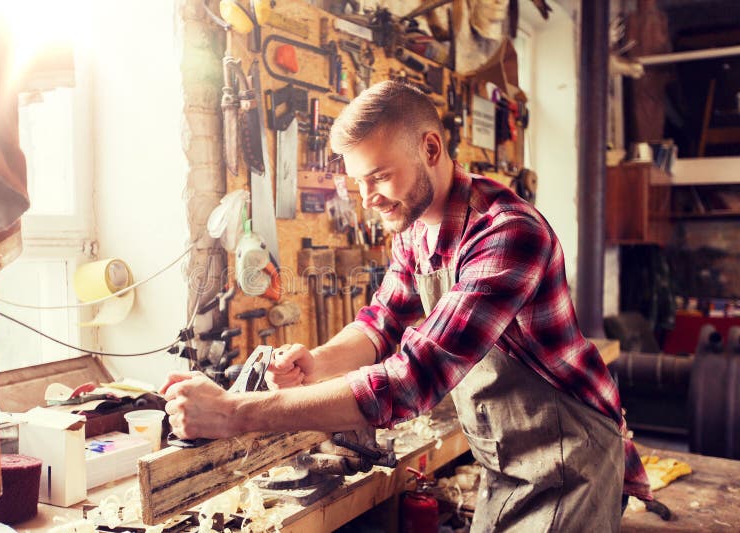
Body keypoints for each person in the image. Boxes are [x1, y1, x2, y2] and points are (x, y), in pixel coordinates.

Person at [162, 80, 651, 531]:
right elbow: (382, 322)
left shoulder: (507, 233)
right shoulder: (417, 228)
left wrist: (233, 413)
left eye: (379, 177)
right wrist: (320, 362)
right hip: (506, 461)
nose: (367, 198)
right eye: (358, 183)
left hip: (569, 457)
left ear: (431, 148)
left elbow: (413, 381)